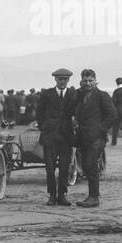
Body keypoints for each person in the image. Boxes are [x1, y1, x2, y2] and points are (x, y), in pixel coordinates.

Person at [72, 69, 116, 208]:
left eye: (91, 80)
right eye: (85, 81)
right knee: (85, 165)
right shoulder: (79, 95)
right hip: (83, 137)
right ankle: (92, 195)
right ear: (81, 81)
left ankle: (94, 197)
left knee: (91, 165)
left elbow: (112, 115)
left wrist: (100, 130)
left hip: (96, 138)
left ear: (95, 81)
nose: (88, 83)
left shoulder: (102, 96)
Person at [35, 68, 79, 205]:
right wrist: (45, 126)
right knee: (50, 168)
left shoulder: (73, 94)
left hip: (66, 137)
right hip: (50, 136)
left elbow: (77, 111)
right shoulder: (46, 94)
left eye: (65, 79)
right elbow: (39, 112)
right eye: (60, 79)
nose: (62, 82)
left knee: (65, 168)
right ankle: (52, 195)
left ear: (68, 80)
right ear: (55, 79)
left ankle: (62, 195)